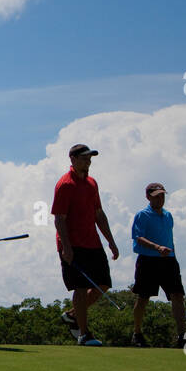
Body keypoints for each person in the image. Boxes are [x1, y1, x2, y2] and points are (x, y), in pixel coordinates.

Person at [53, 144, 119, 346]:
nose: (88, 161)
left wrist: (111, 241)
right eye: (84, 158)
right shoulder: (65, 184)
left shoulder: (92, 183)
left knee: (104, 284)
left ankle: (73, 315)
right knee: (80, 288)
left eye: (89, 158)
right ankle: (84, 334)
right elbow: (59, 219)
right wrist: (67, 247)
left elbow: (99, 213)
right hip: (73, 244)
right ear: (72, 159)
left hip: (93, 242)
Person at [130, 182, 186, 348]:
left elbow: (169, 238)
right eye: (157, 196)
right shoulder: (142, 215)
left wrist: (172, 255)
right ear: (148, 197)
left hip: (169, 261)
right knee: (143, 297)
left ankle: (182, 336)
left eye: (162, 195)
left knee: (177, 295)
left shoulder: (168, 215)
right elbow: (138, 237)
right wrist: (157, 247)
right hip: (148, 260)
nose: (161, 199)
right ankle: (137, 333)